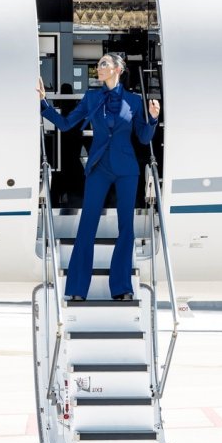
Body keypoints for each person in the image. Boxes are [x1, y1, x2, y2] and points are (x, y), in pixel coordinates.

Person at [37, 54, 160, 301]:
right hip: (99, 167)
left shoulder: (134, 101)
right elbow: (65, 124)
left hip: (126, 169)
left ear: (117, 69)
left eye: (104, 64)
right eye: (99, 64)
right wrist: (43, 103)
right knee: (87, 224)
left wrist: (153, 118)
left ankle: (122, 288)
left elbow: (143, 137)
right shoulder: (92, 97)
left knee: (126, 228)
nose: (99, 67)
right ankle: (77, 289)